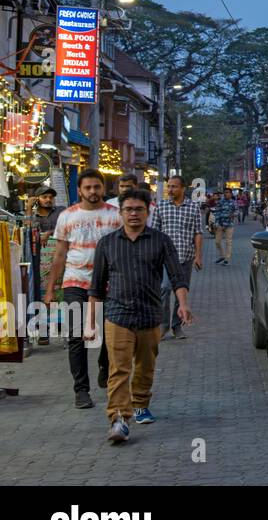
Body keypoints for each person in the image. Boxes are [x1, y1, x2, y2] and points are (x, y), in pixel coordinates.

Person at [86, 189, 191, 444]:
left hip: (150, 314)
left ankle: (141, 403)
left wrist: (183, 304)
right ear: (121, 213)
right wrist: (90, 323)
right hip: (117, 315)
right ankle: (119, 419)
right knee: (118, 369)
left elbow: (177, 275)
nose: (134, 214)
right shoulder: (107, 243)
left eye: (139, 209)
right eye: (129, 209)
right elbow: (96, 287)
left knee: (145, 366)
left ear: (148, 211)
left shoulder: (161, 241)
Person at [43, 170, 122, 408]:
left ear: (103, 188)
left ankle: (104, 365)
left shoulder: (116, 215)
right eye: (88, 187)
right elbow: (60, 254)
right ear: (79, 190)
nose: (93, 191)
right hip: (75, 282)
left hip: (109, 284)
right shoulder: (67, 216)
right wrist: (50, 288)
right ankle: (81, 390)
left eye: (97, 187)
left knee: (109, 333)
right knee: (76, 336)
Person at [149, 175, 204, 339]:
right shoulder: (161, 206)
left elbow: (198, 232)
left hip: (186, 256)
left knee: (182, 292)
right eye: (169, 186)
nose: (170, 190)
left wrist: (198, 256)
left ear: (183, 188)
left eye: (174, 186)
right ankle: (163, 325)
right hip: (165, 258)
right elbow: (155, 231)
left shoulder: (193, 207)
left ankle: (176, 326)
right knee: (164, 289)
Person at [25, 186, 64, 347]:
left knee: (59, 293)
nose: (48, 200)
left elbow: (68, 228)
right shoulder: (33, 215)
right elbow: (27, 230)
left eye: (50, 197)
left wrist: (50, 232)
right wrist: (28, 207)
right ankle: (43, 331)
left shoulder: (61, 211)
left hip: (60, 260)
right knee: (40, 294)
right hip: (40, 261)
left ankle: (66, 329)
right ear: (37, 199)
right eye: (44, 197)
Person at [210, 188, 237, 266]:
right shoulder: (220, 202)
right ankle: (222, 256)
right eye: (225, 192)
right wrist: (216, 223)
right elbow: (217, 212)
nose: (226, 194)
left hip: (229, 225)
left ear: (231, 194)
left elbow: (237, 211)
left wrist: (233, 214)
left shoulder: (234, 202)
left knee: (228, 242)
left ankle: (227, 259)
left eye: (227, 192)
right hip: (220, 224)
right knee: (217, 242)